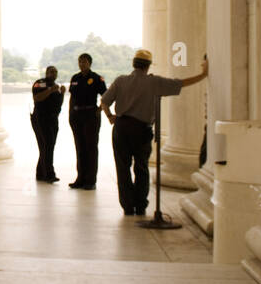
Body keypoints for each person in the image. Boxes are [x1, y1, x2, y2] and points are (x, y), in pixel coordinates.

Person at [100, 48, 209, 215]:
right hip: (141, 130)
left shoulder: (121, 81)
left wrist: (110, 117)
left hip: (121, 128)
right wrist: (202, 75)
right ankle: (141, 205)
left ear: (133, 64)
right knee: (142, 167)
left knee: (122, 168)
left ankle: (128, 206)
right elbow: (179, 83)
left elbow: (104, 101)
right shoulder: (154, 82)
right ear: (148, 66)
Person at [68, 52, 107, 189]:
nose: (81, 64)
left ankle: (90, 180)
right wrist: (70, 115)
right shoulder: (75, 78)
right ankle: (80, 178)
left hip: (91, 115)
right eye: (80, 61)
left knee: (91, 148)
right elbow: (72, 98)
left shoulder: (96, 78)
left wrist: (100, 109)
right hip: (77, 115)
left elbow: (106, 97)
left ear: (90, 63)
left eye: (84, 61)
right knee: (80, 147)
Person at [31, 65, 65, 182]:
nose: (53, 74)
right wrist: (50, 90)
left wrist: (62, 94)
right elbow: (37, 98)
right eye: (51, 72)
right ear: (46, 73)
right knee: (47, 145)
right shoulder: (40, 83)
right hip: (40, 118)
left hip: (53, 119)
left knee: (48, 146)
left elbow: (59, 104)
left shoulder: (56, 86)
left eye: (55, 72)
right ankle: (49, 174)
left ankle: (40, 173)